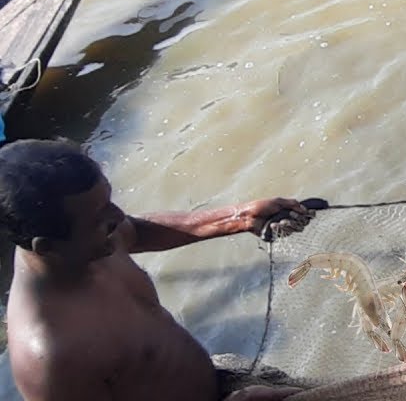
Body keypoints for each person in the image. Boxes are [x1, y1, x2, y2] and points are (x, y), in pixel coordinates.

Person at [2, 139, 318, 401]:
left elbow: (136, 231)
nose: (118, 216)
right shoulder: (50, 357)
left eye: (110, 201)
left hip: (224, 383)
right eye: (100, 217)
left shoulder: (92, 241)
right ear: (46, 247)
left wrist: (240, 218)